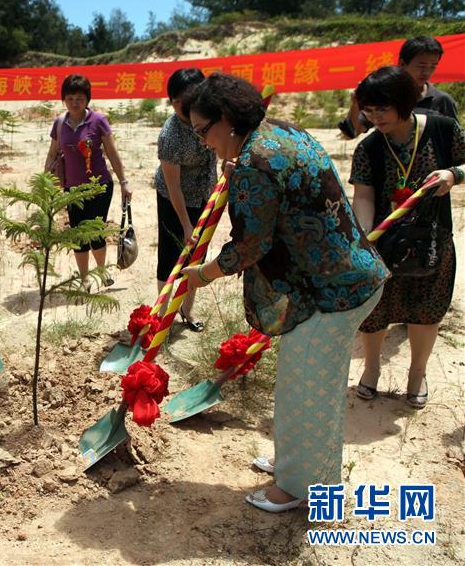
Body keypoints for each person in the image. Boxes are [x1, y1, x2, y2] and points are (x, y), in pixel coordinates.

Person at [180, 73, 388, 513]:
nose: (202, 142)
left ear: (227, 119)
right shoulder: (280, 132)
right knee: (298, 383)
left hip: (331, 291)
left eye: (203, 131)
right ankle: (294, 462)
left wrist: (204, 274)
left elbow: (252, 245)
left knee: (312, 391)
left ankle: (300, 488)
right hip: (339, 277)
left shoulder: (254, 163)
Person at [349, 66, 465, 409]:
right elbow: (364, 197)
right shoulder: (369, 147)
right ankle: (371, 370)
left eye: (382, 109)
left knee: (426, 311)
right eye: (368, 111)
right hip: (386, 244)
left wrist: (452, 174)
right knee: (374, 312)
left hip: (433, 240)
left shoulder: (443, 130)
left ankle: (417, 374)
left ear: (404, 102)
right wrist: (364, 242)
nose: (374, 117)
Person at [42, 74, 131, 288]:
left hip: (100, 186)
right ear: (64, 99)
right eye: (70, 98)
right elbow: (53, 153)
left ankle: (101, 272)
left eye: (80, 98)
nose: (75, 102)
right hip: (72, 188)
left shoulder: (98, 121)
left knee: (95, 231)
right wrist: (45, 182)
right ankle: (84, 279)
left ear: (87, 99)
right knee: (77, 234)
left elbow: (111, 152)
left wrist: (124, 181)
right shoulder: (60, 123)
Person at [155, 68, 217, 331]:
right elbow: (174, 186)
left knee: (197, 258)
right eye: (182, 100)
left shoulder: (211, 117)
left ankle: (186, 312)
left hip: (206, 196)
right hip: (175, 200)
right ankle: (160, 316)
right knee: (171, 257)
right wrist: (186, 225)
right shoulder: (171, 135)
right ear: (173, 102)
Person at [339, 36, 458, 139]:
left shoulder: (443, 101)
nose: (426, 72)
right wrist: (355, 104)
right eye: (421, 66)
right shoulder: (384, 97)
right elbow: (352, 133)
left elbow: (455, 141)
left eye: (433, 66)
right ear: (402, 64)